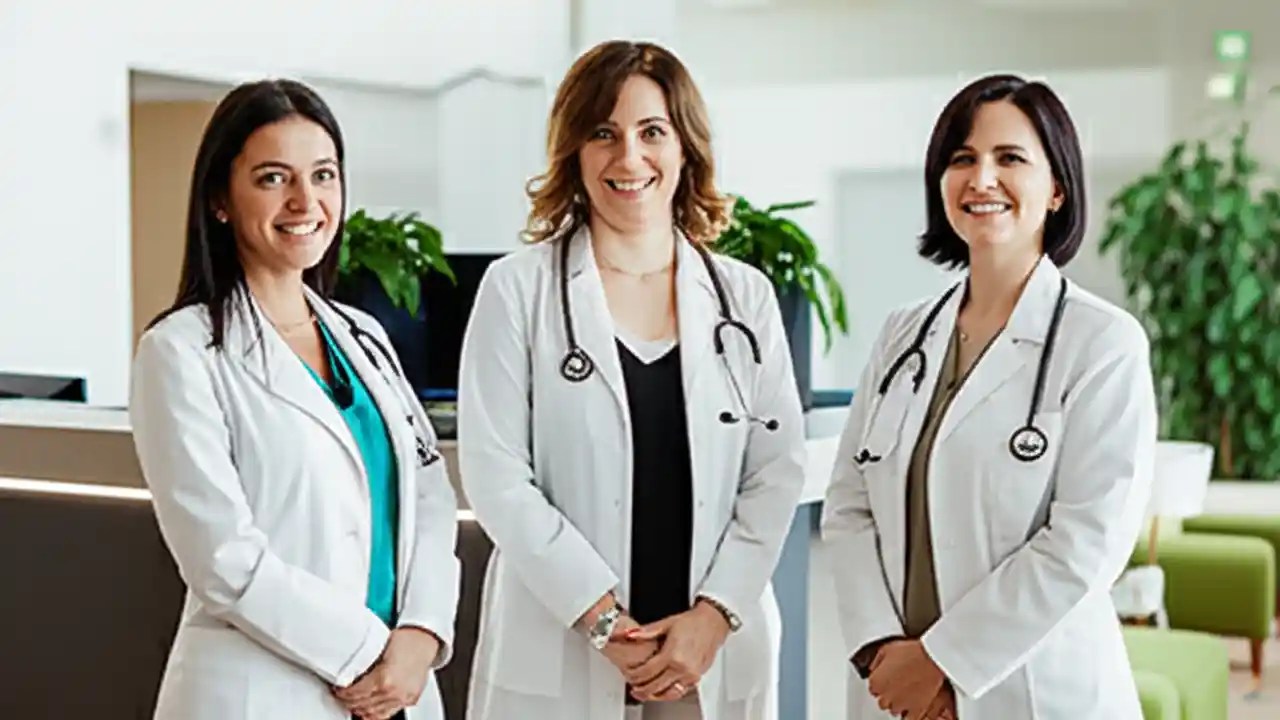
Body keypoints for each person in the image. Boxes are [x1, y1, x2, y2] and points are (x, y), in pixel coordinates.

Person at [456, 40, 806, 720]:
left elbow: (775, 472)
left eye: (652, 132)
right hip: (565, 646)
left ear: (685, 149)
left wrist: (714, 615)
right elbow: (496, 477)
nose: (629, 158)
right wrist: (599, 618)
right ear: (574, 153)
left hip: (707, 655)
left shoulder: (745, 298)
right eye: (603, 134)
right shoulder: (518, 290)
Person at [821, 73, 1156, 720]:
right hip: (891, 687)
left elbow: (1086, 544)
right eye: (962, 159)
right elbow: (849, 503)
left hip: (1029, 691)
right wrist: (881, 650)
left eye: (1010, 159)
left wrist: (943, 663)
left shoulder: (1103, 343)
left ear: (1057, 188)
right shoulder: (904, 333)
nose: (981, 179)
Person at [129, 79, 460, 720]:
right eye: (274, 178)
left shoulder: (362, 336)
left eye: (324, 175)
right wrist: (374, 653)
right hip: (265, 691)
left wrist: (421, 635)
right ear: (221, 199)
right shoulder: (179, 352)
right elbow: (223, 559)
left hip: (400, 693)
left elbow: (429, 495)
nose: (305, 201)